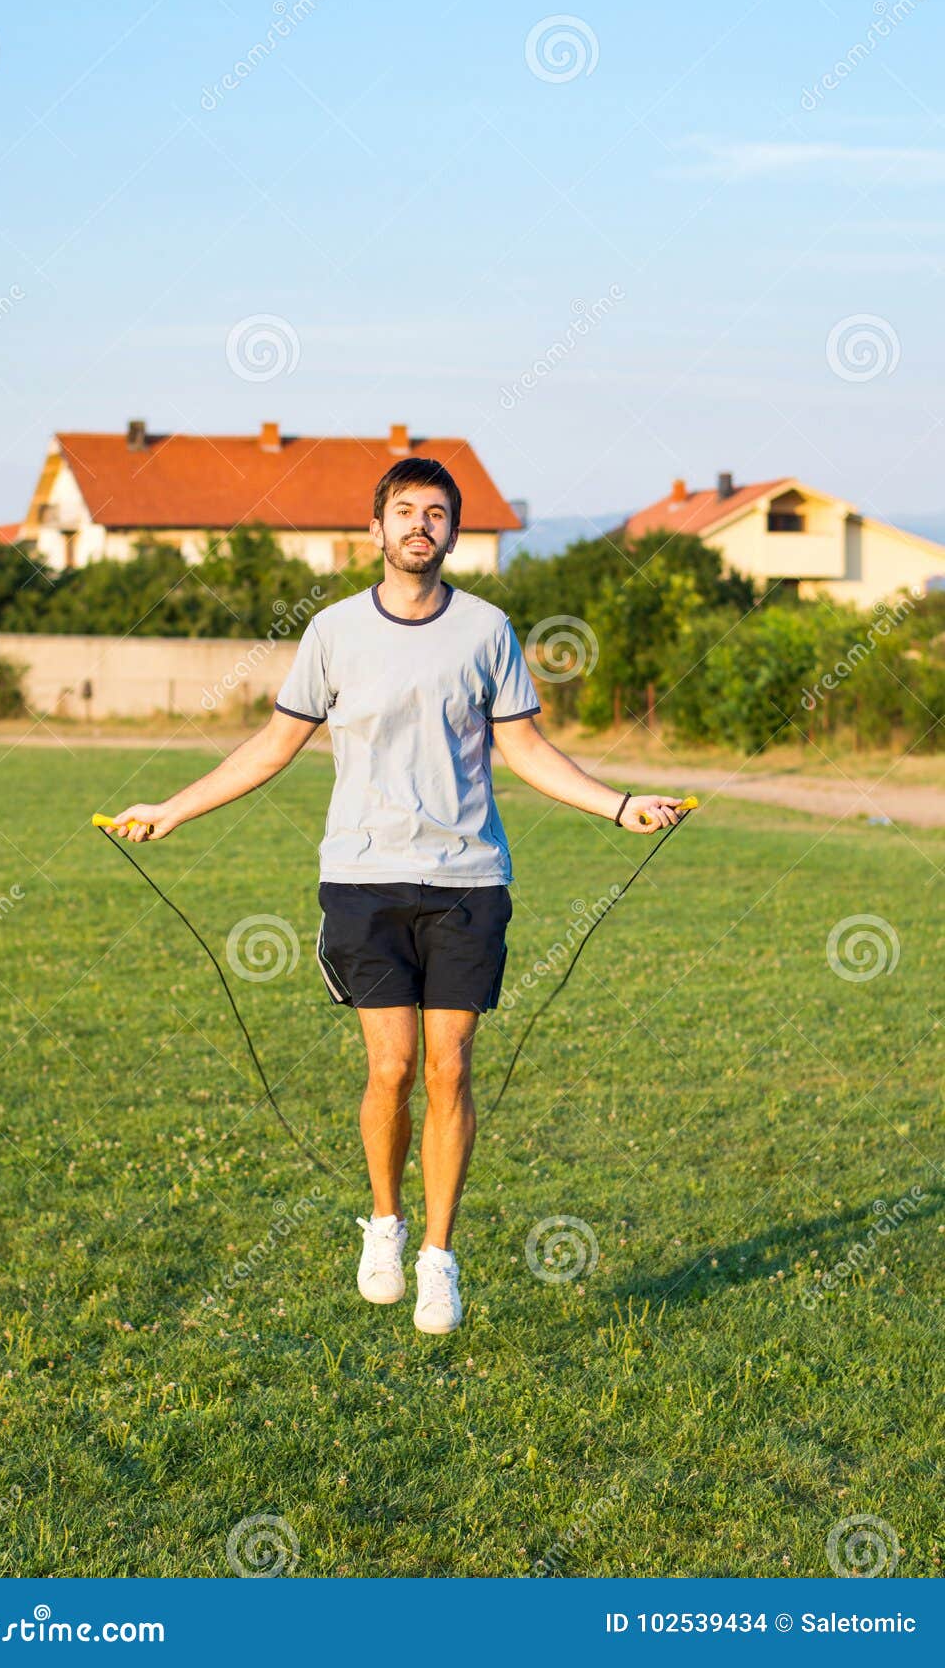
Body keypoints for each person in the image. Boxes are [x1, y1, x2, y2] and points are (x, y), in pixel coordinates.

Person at [107, 456, 683, 1335]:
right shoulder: (332, 631)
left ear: (454, 531)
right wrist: (172, 809)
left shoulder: (488, 630)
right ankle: (385, 1222)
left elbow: (526, 750)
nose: (421, 525)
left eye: (437, 513)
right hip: (363, 880)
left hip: (468, 882)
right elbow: (272, 746)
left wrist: (619, 804)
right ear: (375, 529)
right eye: (406, 511)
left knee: (451, 1069)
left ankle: (438, 1259)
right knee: (394, 1068)